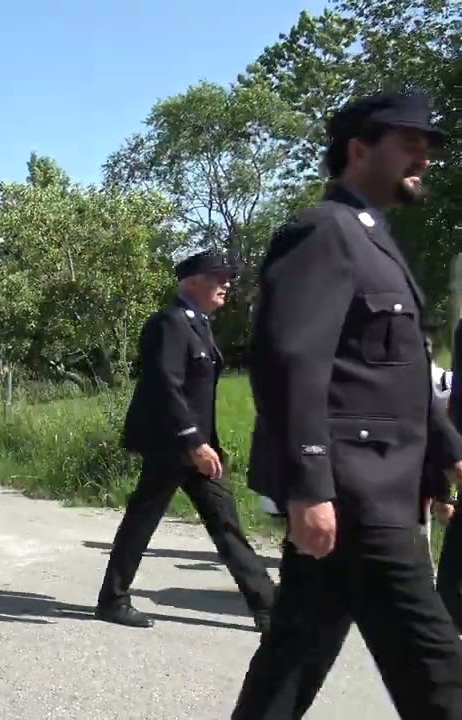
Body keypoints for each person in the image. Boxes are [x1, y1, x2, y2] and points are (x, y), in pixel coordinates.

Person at [234, 92, 462, 718]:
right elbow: (292, 364)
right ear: (359, 150)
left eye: (429, 147)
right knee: (439, 674)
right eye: (409, 144)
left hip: (377, 490)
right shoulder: (323, 232)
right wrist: (308, 487)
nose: (424, 158)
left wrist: (446, 453)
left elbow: (397, 374)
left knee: (293, 658)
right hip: (357, 496)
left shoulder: (372, 238)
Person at [96, 250, 276, 632]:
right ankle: (112, 599)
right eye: (218, 277)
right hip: (172, 445)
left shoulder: (200, 324)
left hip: (197, 448)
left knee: (226, 523)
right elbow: (166, 386)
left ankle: (268, 606)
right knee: (142, 520)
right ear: (192, 281)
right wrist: (193, 441)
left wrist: (203, 443)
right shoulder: (170, 324)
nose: (225, 284)